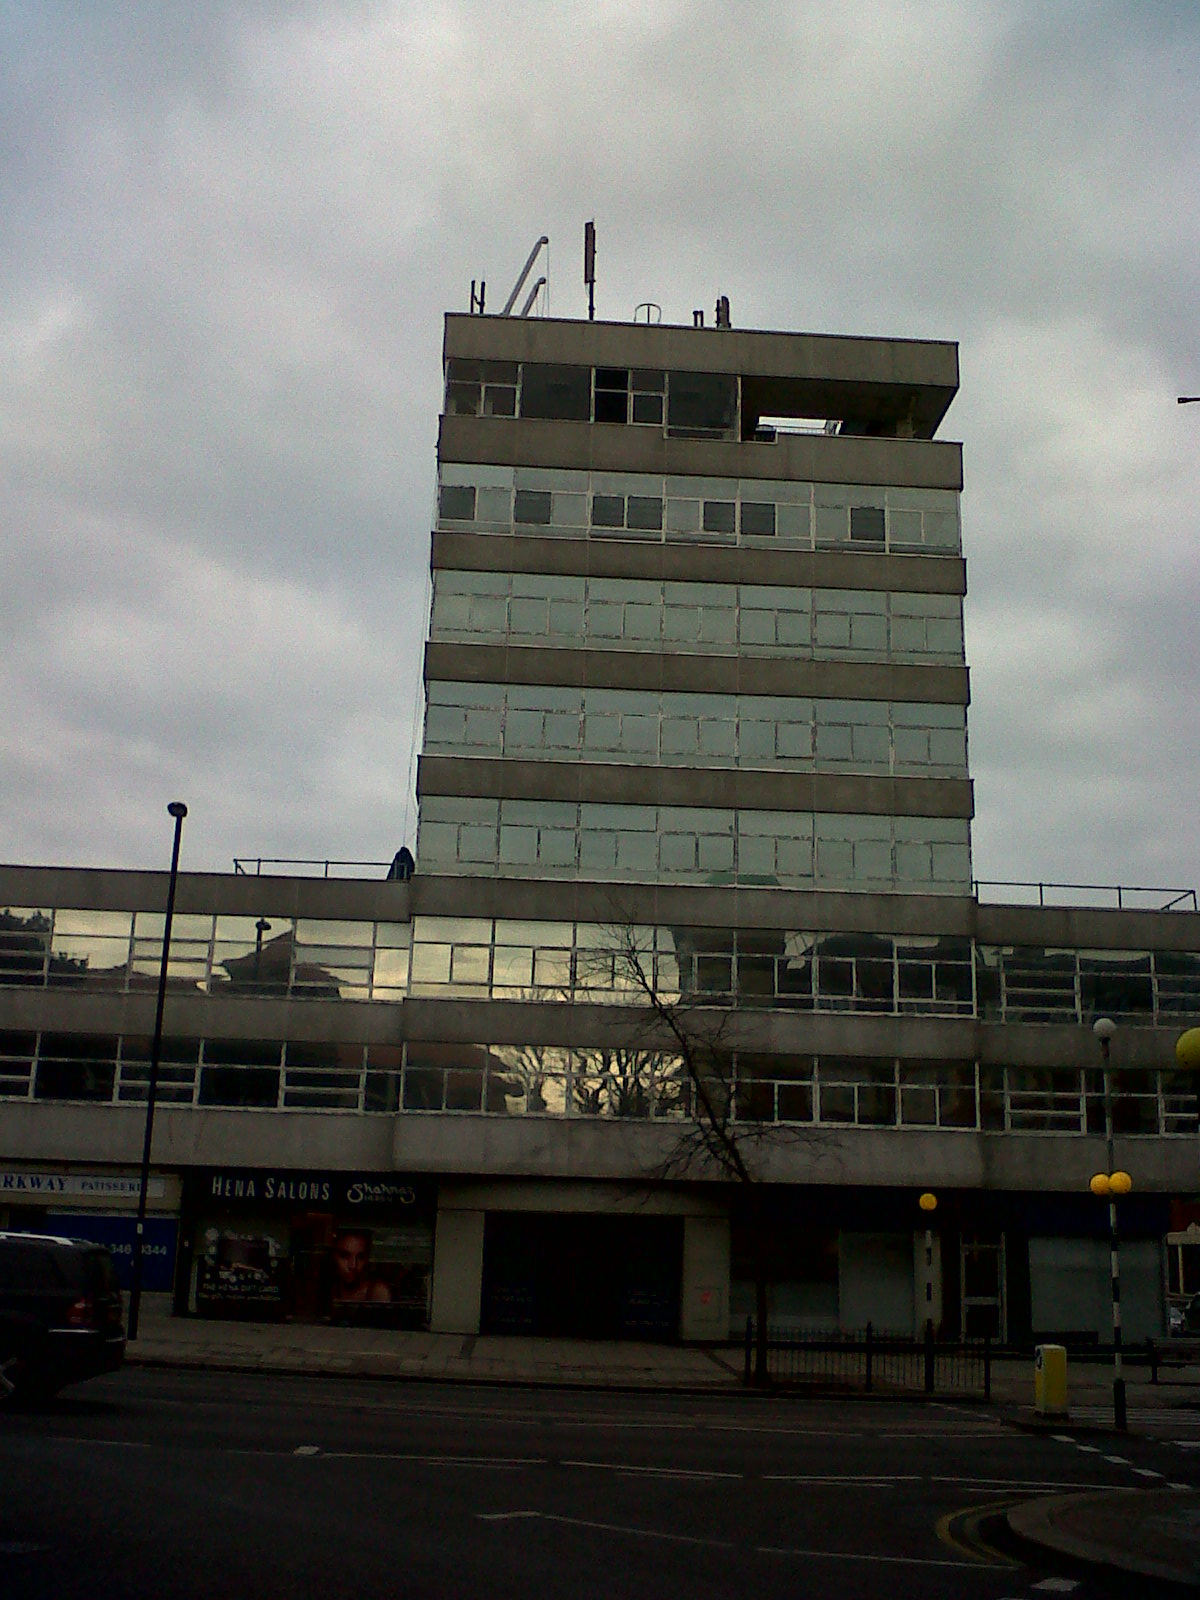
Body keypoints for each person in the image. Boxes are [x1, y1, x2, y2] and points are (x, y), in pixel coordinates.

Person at [330, 1228, 391, 1304]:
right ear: (334, 1255)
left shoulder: (376, 1291)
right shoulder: (325, 1288)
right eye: (344, 1256)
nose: (353, 1265)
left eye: (360, 1257)